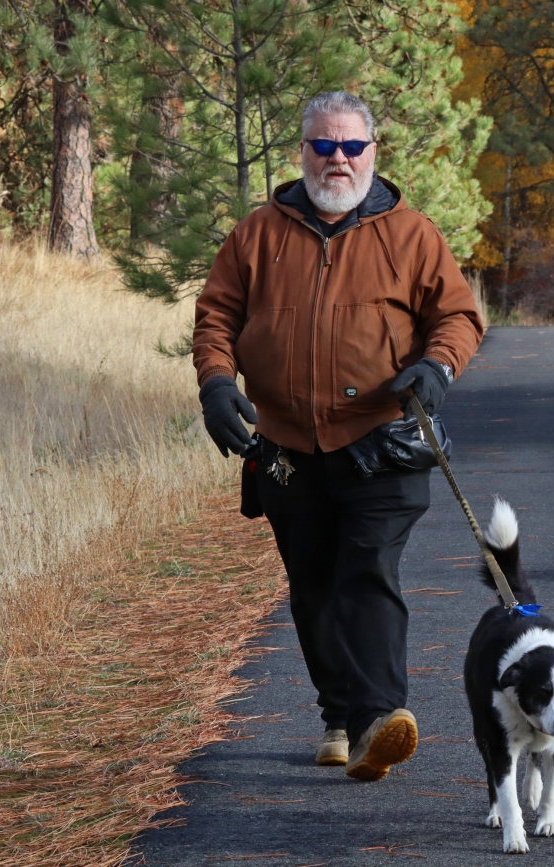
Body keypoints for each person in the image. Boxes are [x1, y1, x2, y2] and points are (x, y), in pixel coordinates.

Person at [191, 91, 484, 782]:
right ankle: (339, 713)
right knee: (313, 585)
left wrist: (436, 368)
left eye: (352, 146)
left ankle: (382, 717)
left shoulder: (412, 234)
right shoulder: (257, 234)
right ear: (304, 152)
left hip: (383, 440)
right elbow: (216, 318)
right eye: (325, 146)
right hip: (287, 448)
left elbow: (459, 318)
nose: (339, 159)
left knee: (366, 568)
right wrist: (215, 383)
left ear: (373, 152)